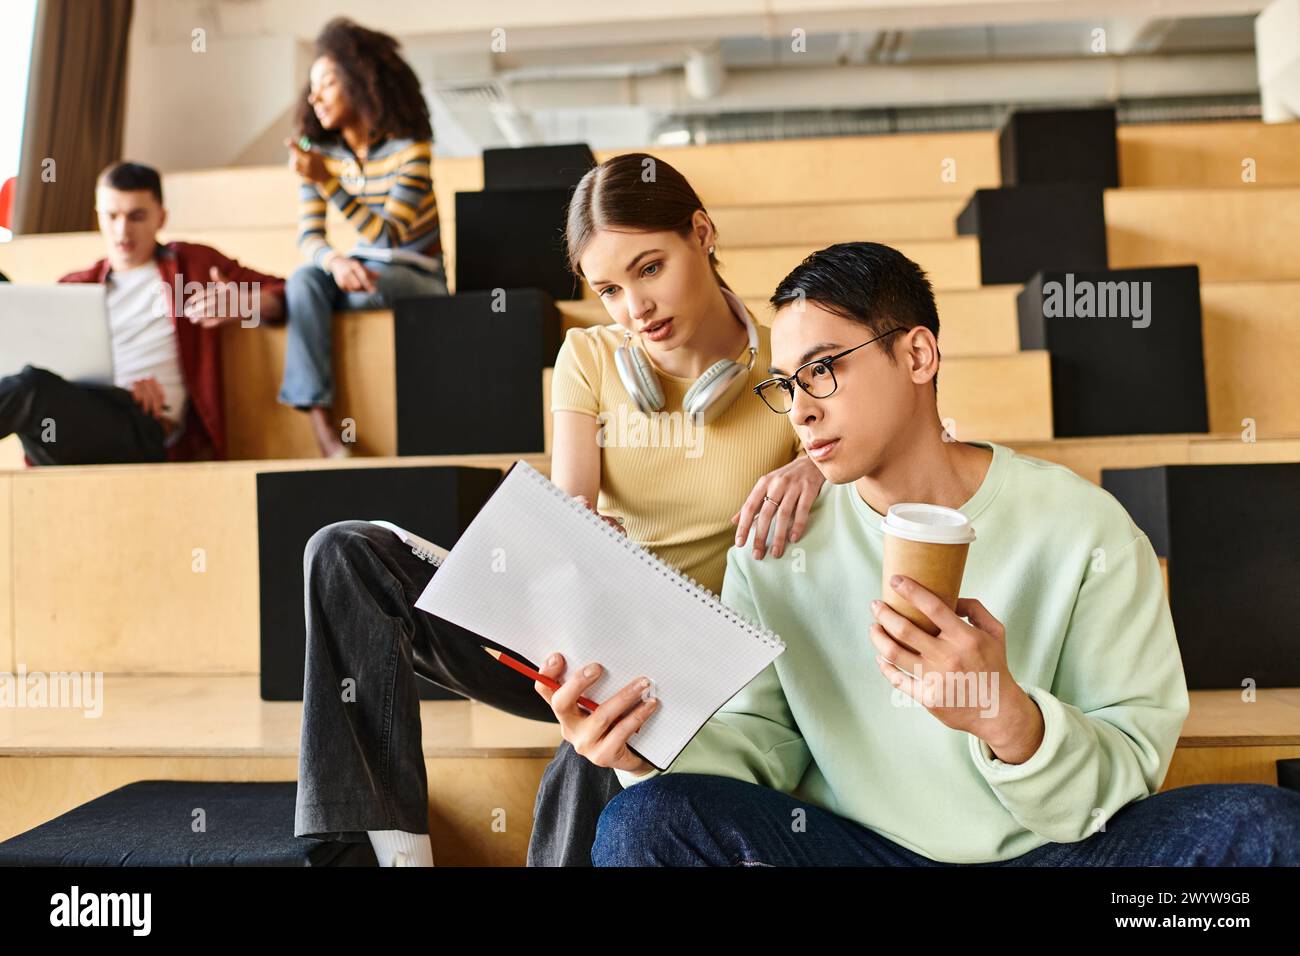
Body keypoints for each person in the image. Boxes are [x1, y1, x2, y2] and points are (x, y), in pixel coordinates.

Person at [537, 241, 1300, 866]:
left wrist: (1009, 718)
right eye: (784, 385)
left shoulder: (1083, 527)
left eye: (824, 369)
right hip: (855, 855)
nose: (800, 409)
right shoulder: (773, 543)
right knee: (644, 824)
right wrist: (640, 750)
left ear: (920, 354)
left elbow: (1127, 771)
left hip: (1055, 856)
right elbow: (761, 749)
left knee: (1265, 830)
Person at [293, 152, 825, 866]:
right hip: (580, 633)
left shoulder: (790, 373)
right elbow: (570, 504)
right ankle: (391, 849)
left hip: (694, 663)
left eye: (649, 268)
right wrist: (576, 531)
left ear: (702, 233)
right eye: (608, 288)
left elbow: (899, 448)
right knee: (343, 552)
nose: (635, 308)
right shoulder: (589, 357)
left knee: (596, 750)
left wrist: (816, 468)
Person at [0, 161, 286, 465]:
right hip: (72, 421)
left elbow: (287, 292)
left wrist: (247, 305)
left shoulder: (195, 265)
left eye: (136, 216)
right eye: (112, 216)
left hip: (145, 428)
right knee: (29, 383)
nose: (123, 230)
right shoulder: (74, 286)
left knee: (30, 387)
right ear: (99, 217)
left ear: (160, 218)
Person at [282, 17, 448, 457]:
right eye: (312, 85)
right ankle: (324, 431)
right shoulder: (318, 157)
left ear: (360, 82)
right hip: (355, 267)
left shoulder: (411, 150)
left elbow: (389, 236)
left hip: (418, 275)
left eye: (329, 82)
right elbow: (309, 237)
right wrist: (334, 263)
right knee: (304, 281)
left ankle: (286, 306)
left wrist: (328, 183)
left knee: (316, 300)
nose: (314, 96)